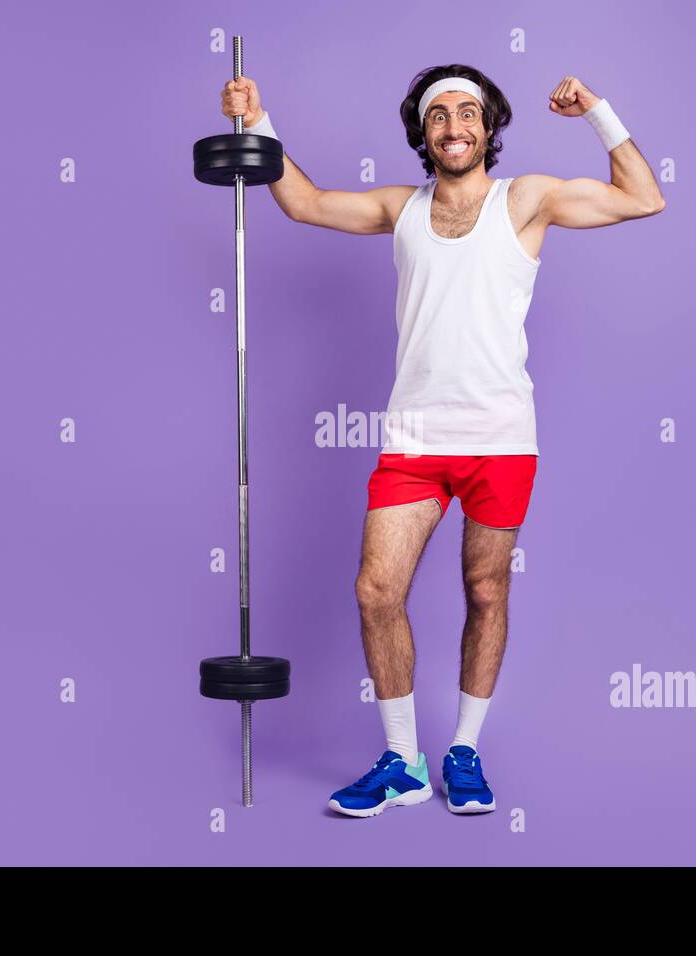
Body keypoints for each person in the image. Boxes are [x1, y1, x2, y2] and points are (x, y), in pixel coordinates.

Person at [219, 63, 665, 817]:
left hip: (501, 438)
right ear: (422, 134)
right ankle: (403, 761)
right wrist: (257, 121)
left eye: (467, 114)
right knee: (376, 589)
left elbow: (644, 197)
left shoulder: (526, 200)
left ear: (488, 127)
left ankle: (463, 749)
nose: (454, 127)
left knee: (486, 590)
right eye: (438, 117)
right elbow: (305, 203)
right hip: (415, 436)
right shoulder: (402, 207)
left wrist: (597, 111)